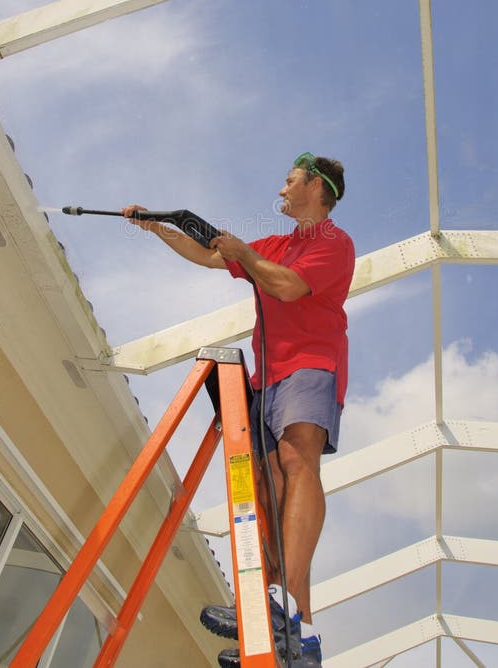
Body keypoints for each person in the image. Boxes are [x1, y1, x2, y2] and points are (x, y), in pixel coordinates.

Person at [123, 153, 355, 668]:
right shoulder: (275, 245)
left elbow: (286, 286)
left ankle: (283, 606)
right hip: (267, 378)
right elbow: (206, 256)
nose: (283, 186)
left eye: (292, 180)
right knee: (272, 495)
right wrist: (156, 225)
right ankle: (300, 635)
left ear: (316, 189)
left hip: (310, 366)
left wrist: (247, 254)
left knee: (298, 463)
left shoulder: (333, 243)